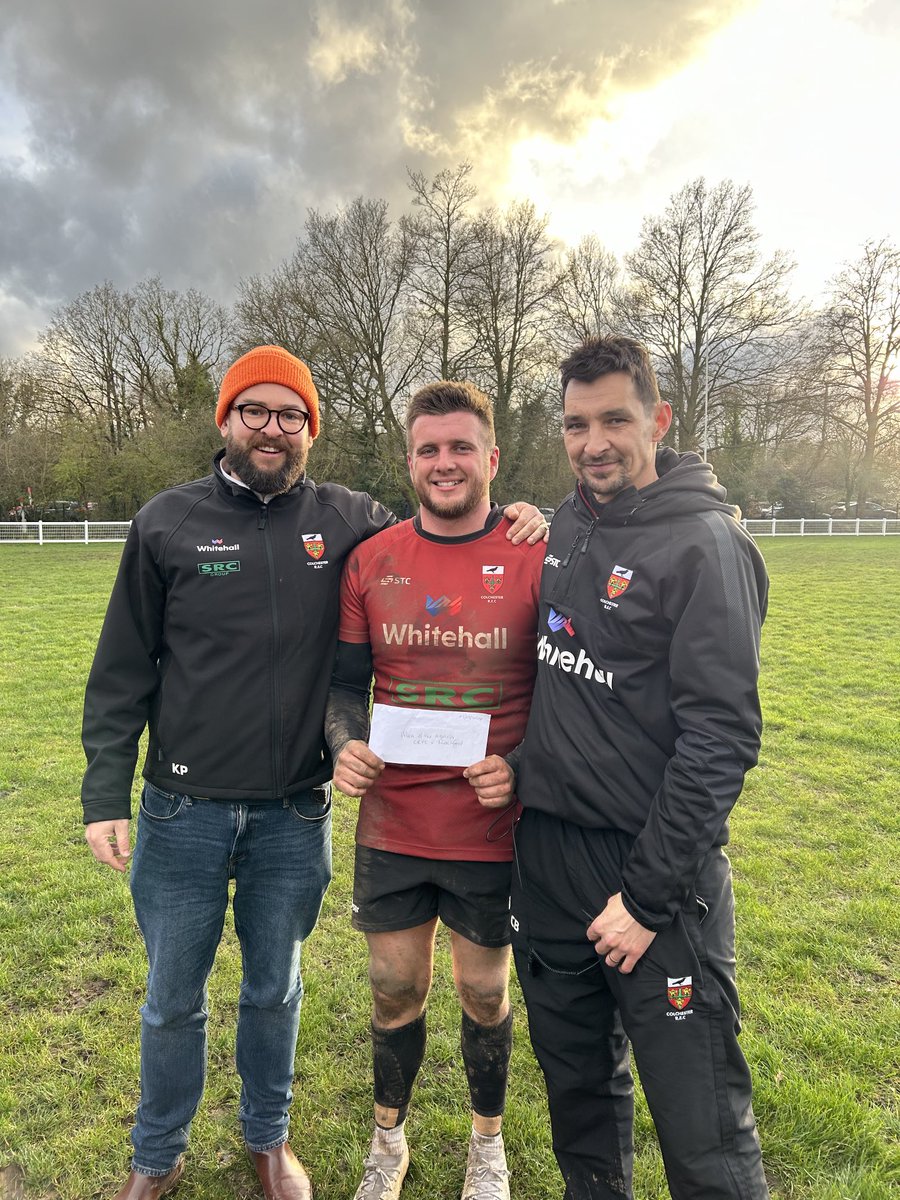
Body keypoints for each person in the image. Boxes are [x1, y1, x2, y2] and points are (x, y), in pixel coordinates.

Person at [81, 346, 545, 1200]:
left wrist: (522, 515)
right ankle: (157, 1154)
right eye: (254, 410)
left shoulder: (348, 519)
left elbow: (446, 518)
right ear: (226, 419)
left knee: (275, 990)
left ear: (311, 429)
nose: (272, 428)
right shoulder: (166, 521)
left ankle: (268, 1141)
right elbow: (120, 669)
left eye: (290, 414)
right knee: (171, 997)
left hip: (293, 813)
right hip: (181, 809)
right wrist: (105, 791)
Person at [487, 335, 771, 1199]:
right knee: (578, 1103)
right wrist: (523, 764)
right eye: (577, 425)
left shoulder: (706, 545)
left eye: (615, 420)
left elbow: (720, 739)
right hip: (549, 864)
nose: (594, 443)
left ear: (660, 419)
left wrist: (645, 900)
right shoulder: (567, 525)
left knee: (702, 1129)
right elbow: (577, 678)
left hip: (654, 878)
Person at [324, 381, 544, 1200]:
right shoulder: (371, 560)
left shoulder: (536, 554)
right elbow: (344, 688)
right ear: (409, 461)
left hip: (490, 825)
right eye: (428, 449)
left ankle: (488, 1147)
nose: (444, 462)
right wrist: (345, 744)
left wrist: (522, 765)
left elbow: (567, 692)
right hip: (394, 823)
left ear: (492, 458)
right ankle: (389, 1140)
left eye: (460, 448)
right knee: (394, 989)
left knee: (485, 992)